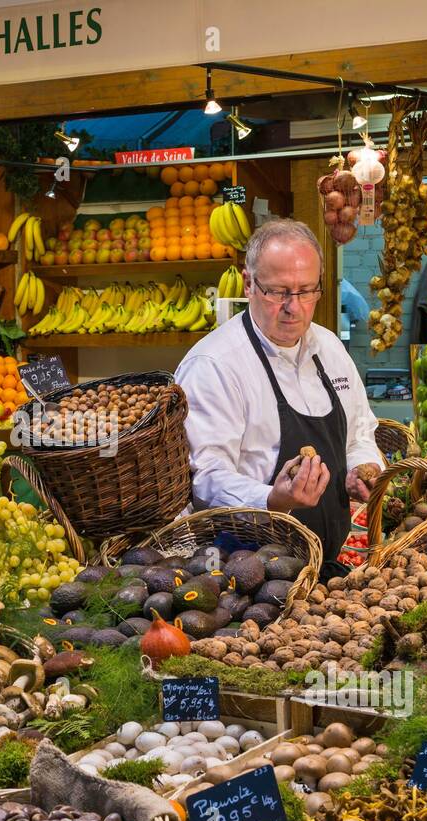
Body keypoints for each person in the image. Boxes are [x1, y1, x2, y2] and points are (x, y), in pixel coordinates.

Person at [175, 218, 383, 579]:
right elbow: (203, 479)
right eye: (278, 292)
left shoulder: (329, 348)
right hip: (244, 574)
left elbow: (360, 433)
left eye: (306, 291)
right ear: (249, 283)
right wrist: (272, 499)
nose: (294, 307)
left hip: (323, 565)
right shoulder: (214, 365)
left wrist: (361, 468)